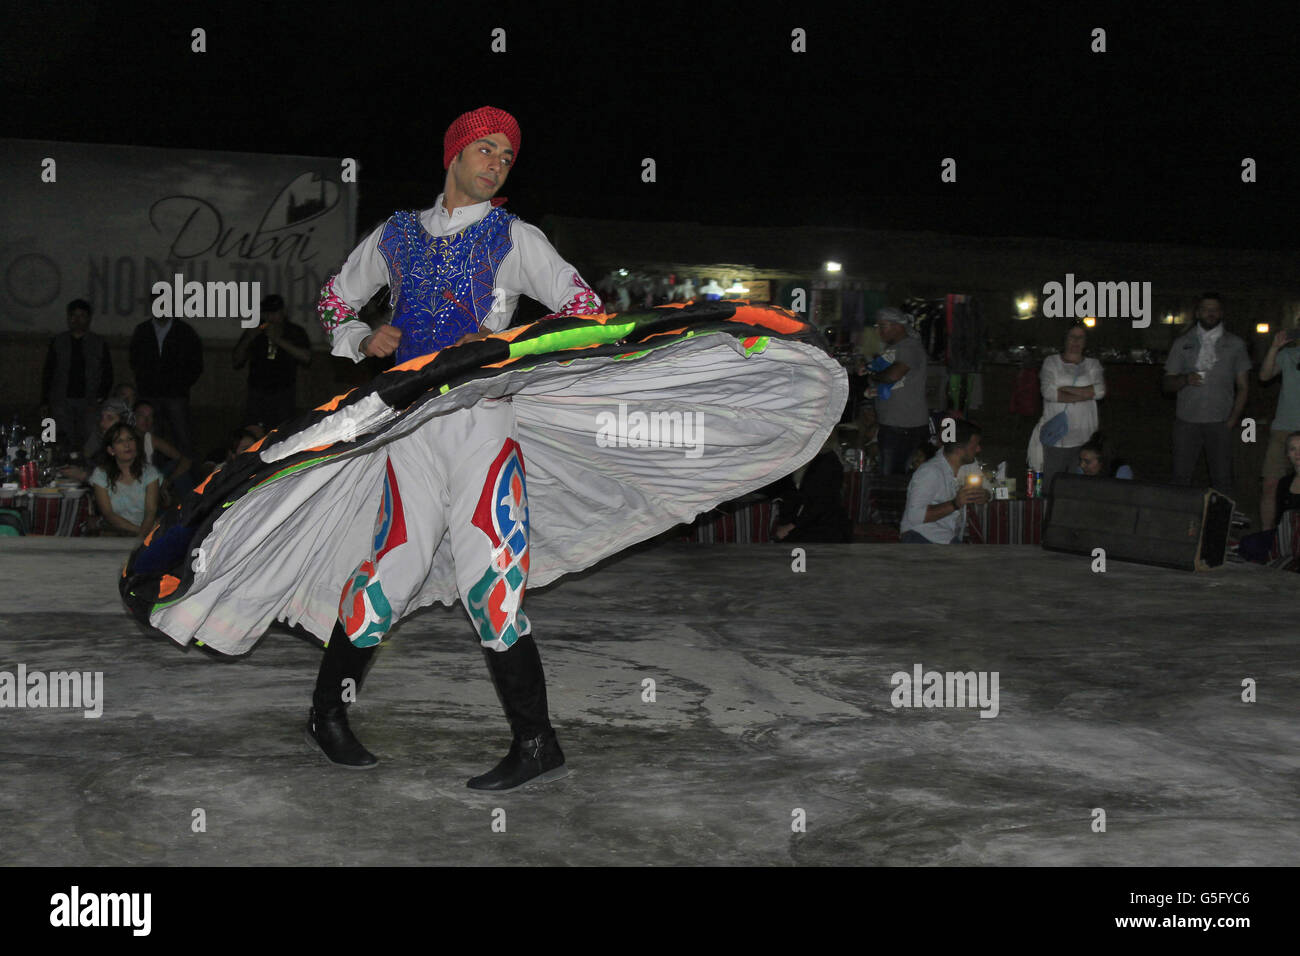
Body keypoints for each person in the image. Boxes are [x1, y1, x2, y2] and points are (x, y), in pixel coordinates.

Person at [305, 106, 605, 789]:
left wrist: (508, 350)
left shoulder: (515, 236)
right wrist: (360, 338)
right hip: (409, 430)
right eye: (487, 150)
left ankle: (537, 744)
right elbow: (330, 302)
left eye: (507, 156)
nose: (498, 163)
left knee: (492, 590)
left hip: (483, 430)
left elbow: (585, 310)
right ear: (455, 154)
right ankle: (326, 715)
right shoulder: (395, 234)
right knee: (385, 580)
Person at [1162, 294, 1250, 494]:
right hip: (1186, 422)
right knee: (1180, 478)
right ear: (1198, 313)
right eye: (1206, 309)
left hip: (1220, 422)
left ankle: (1220, 522)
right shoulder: (1182, 342)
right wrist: (1185, 379)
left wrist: (1233, 419)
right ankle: (1179, 520)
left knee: (1223, 480)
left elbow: (1244, 386)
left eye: (1215, 309)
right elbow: (1167, 383)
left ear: (1221, 313)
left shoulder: (1236, 344)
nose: (1211, 313)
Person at [1034, 321, 1107, 489]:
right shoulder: (1052, 362)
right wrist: (1087, 393)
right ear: (1065, 339)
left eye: (1080, 337)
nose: (1076, 341)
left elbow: (1100, 391)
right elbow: (1049, 392)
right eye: (1072, 337)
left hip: (1085, 436)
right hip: (1057, 436)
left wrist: (1065, 388)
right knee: (1052, 484)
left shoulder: (1092, 364)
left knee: (1080, 486)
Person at [40, 299, 113, 458]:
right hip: (62, 399)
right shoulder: (59, 342)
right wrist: (45, 400)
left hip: (90, 400)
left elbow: (107, 372)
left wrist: (101, 396)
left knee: (90, 439)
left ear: (88, 318)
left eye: (82, 316)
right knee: (62, 439)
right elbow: (49, 371)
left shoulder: (98, 343)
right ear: (68, 318)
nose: (77, 320)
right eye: (73, 316)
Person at [128, 305, 204, 457]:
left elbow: (195, 363)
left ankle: (186, 474)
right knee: (149, 436)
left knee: (182, 436)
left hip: (176, 394)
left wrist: (181, 384)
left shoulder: (184, 331)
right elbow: (135, 360)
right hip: (149, 394)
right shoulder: (143, 330)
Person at [900, 418, 988, 543]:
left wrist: (985, 495)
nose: (979, 449)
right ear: (959, 450)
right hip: (920, 536)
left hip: (946, 538)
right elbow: (915, 516)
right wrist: (955, 504)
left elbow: (988, 489)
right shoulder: (930, 471)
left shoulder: (967, 466)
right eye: (975, 445)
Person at [232, 293, 312, 430]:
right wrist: (248, 339)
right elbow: (236, 361)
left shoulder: (294, 332)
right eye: (267, 314)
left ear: (283, 312)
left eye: (275, 313)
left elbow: (306, 357)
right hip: (257, 393)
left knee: (282, 433)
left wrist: (278, 340)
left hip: (283, 393)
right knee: (253, 432)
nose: (271, 318)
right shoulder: (256, 332)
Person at [865, 307, 929, 475]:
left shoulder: (909, 347)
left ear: (898, 326)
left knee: (892, 476)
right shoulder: (895, 348)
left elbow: (893, 375)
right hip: (894, 422)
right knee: (890, 471)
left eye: (882, 326)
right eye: (877, 326)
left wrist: (874, 375)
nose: (878, 331)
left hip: (903, 425)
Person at [772, 433, 852, 543]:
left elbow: (821, 503)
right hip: (805, 522)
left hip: (823, 526)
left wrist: (792, 526)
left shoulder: (828, 461)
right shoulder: (801, 458)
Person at [1257, 328, 1300, 529]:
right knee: (1270, 485)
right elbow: (1265, 376)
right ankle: (1268, 538)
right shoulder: (1288, 355)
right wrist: (1274, 347)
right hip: (1284, 429)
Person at [1237, 431, 1300, 562]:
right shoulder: (1284, 482)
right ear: (1288, 454)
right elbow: (1279, 518)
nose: (1298, 453)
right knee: (1248, 543)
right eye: (1293, 449)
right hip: (1286, 535)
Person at [89, 422, 160, 538]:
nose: (127, 445)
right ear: (111, 450)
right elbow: (108, 513)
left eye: (130, 439)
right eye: (120, 441)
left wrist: (143, 535)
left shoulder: (149, 472)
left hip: (146, 529)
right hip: (115, 531)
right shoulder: (101, 474)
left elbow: (150, 511)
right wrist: (139, 533)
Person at [133, 400, 192, 498]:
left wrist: (169, 480)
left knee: (177, 467)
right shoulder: (124, 437)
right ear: (133, 417)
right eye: (141, 415)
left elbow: (185, 461)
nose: (146, 420)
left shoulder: (150, 439)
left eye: (150, 416)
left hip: (150, 481)